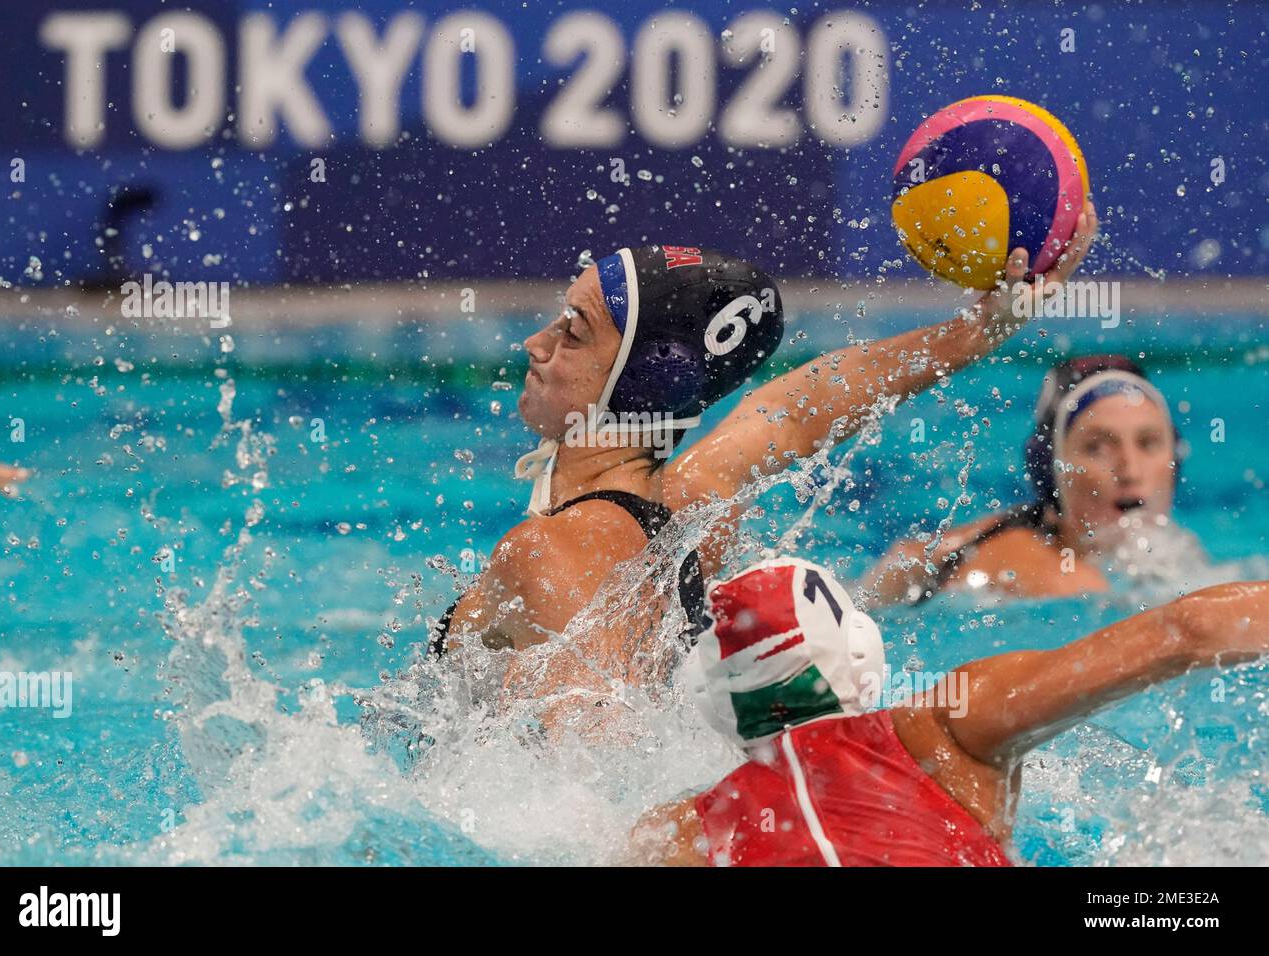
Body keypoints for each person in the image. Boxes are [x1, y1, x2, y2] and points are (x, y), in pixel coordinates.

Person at [433, 207, 1098, 688]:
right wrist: (976, 332)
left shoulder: (553, 553)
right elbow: (802, 409)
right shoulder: (689, 510)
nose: (537, 344)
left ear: (642, 380)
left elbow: (595, 778)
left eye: (574, 332)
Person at [629, 557, 1269, 866]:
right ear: (863, 653)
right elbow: (1188, 630)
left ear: (716, 706)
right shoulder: (942, 727)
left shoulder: (678, 834)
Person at [864, 354, 1183, 605]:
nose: (1131, 470)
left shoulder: (1173, 552)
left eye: (1148, 443)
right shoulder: (1062, 581)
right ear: (1050, 472)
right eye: (1097, 447)